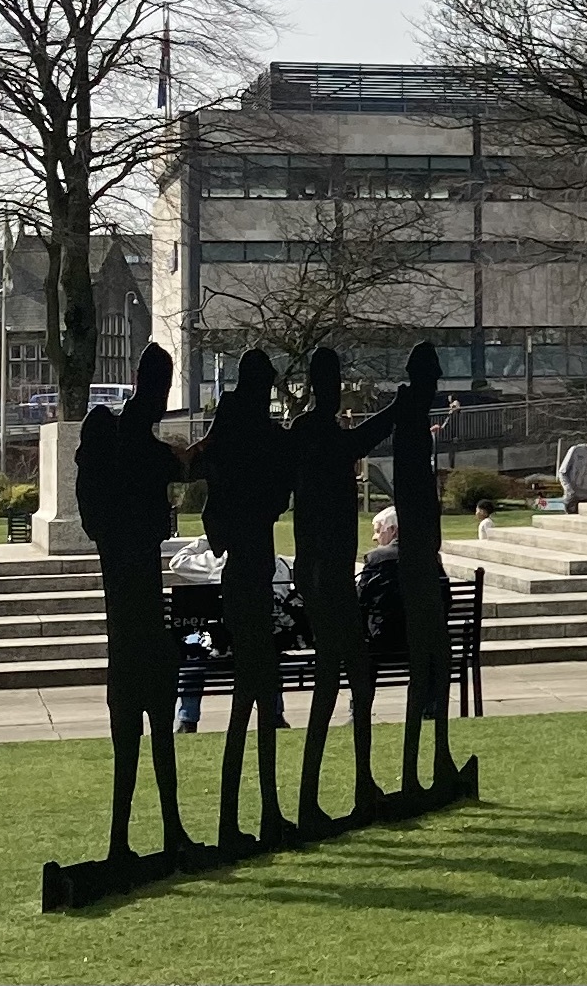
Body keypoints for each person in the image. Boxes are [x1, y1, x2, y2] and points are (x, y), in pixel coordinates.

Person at [73, 343, 197, 862]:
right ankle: (128, 840)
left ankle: (160, 833)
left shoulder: (135, 447)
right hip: (132, 615)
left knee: (148, 729)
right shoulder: (130, 448)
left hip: (138, 612)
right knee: (135, 730)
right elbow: (175, 464)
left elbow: (181, 464)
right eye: (158, 388)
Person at [288, 347, 406, 830]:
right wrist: (397, 410)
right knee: (340, 679)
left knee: (349, 678)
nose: (338, 389)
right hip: (324, 575)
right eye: (333, 380)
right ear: (322, 384)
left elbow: (358, 440)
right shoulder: (312, 433)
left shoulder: (321, 432)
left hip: (328, 572)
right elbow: (359, 441)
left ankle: (354, 784)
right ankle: (323, 792)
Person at [200, 348, 294, 850]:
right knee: (250, 694)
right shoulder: (249, 424)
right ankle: (242, 816)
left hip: (247, 559)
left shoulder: (240, 422)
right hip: (249, 561)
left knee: (253, 695)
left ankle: (254, 812)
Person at [390, 340, 458, 795]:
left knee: (436, 656)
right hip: (417, 553)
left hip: (420, 547)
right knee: (431, 655)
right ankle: (422, 763)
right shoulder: (410, 415)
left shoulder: (410, 414)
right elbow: (412, 488)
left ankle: (434, 757)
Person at [168, 536, 288, 735]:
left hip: (220, 649)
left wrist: (207, 539)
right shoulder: (278, 565)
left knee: (192, 657)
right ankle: (275, 716)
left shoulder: (219, 562)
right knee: (268, 653)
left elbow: (177, 562)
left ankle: (187, 720)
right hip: (263, 647)